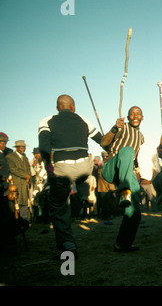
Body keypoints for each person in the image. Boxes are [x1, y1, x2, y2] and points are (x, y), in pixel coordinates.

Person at [38, 94, 103, 258]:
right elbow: (101, 140)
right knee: (82, 177)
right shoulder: (83, 119)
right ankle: (82, 194)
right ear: (73, 108)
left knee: (59, 206)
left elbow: (44, 147)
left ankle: (67, 244)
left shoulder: (46, 121)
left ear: (57, 108)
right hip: (83, 166)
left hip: (63, 167)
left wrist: (48, 167)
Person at [100, 106, 144, 252]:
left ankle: (123, 243)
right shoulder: (122, 127)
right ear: (128, 117)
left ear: (142, 117)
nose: (135, 116)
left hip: (127, 172)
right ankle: (124, 191)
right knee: (127, 150)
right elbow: (103, 143)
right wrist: (114, 128)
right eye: (132, 114)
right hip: (112, 167)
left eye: (138, 114)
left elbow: (136, 160)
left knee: (135, 209)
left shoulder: (141, 137)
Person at [6, 140, 32, 222]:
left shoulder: (25, 157)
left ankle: (24, 222)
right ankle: (16, 222)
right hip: (15, 184)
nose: (23, 149)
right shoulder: (10, 157)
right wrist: (25, 175)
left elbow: (28, 170)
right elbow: (13, 169)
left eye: (24, 147)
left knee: (24, 203)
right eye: (21, 147)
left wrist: (29, 178)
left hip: (24, 184)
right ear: (16, 148)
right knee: (16, 203)